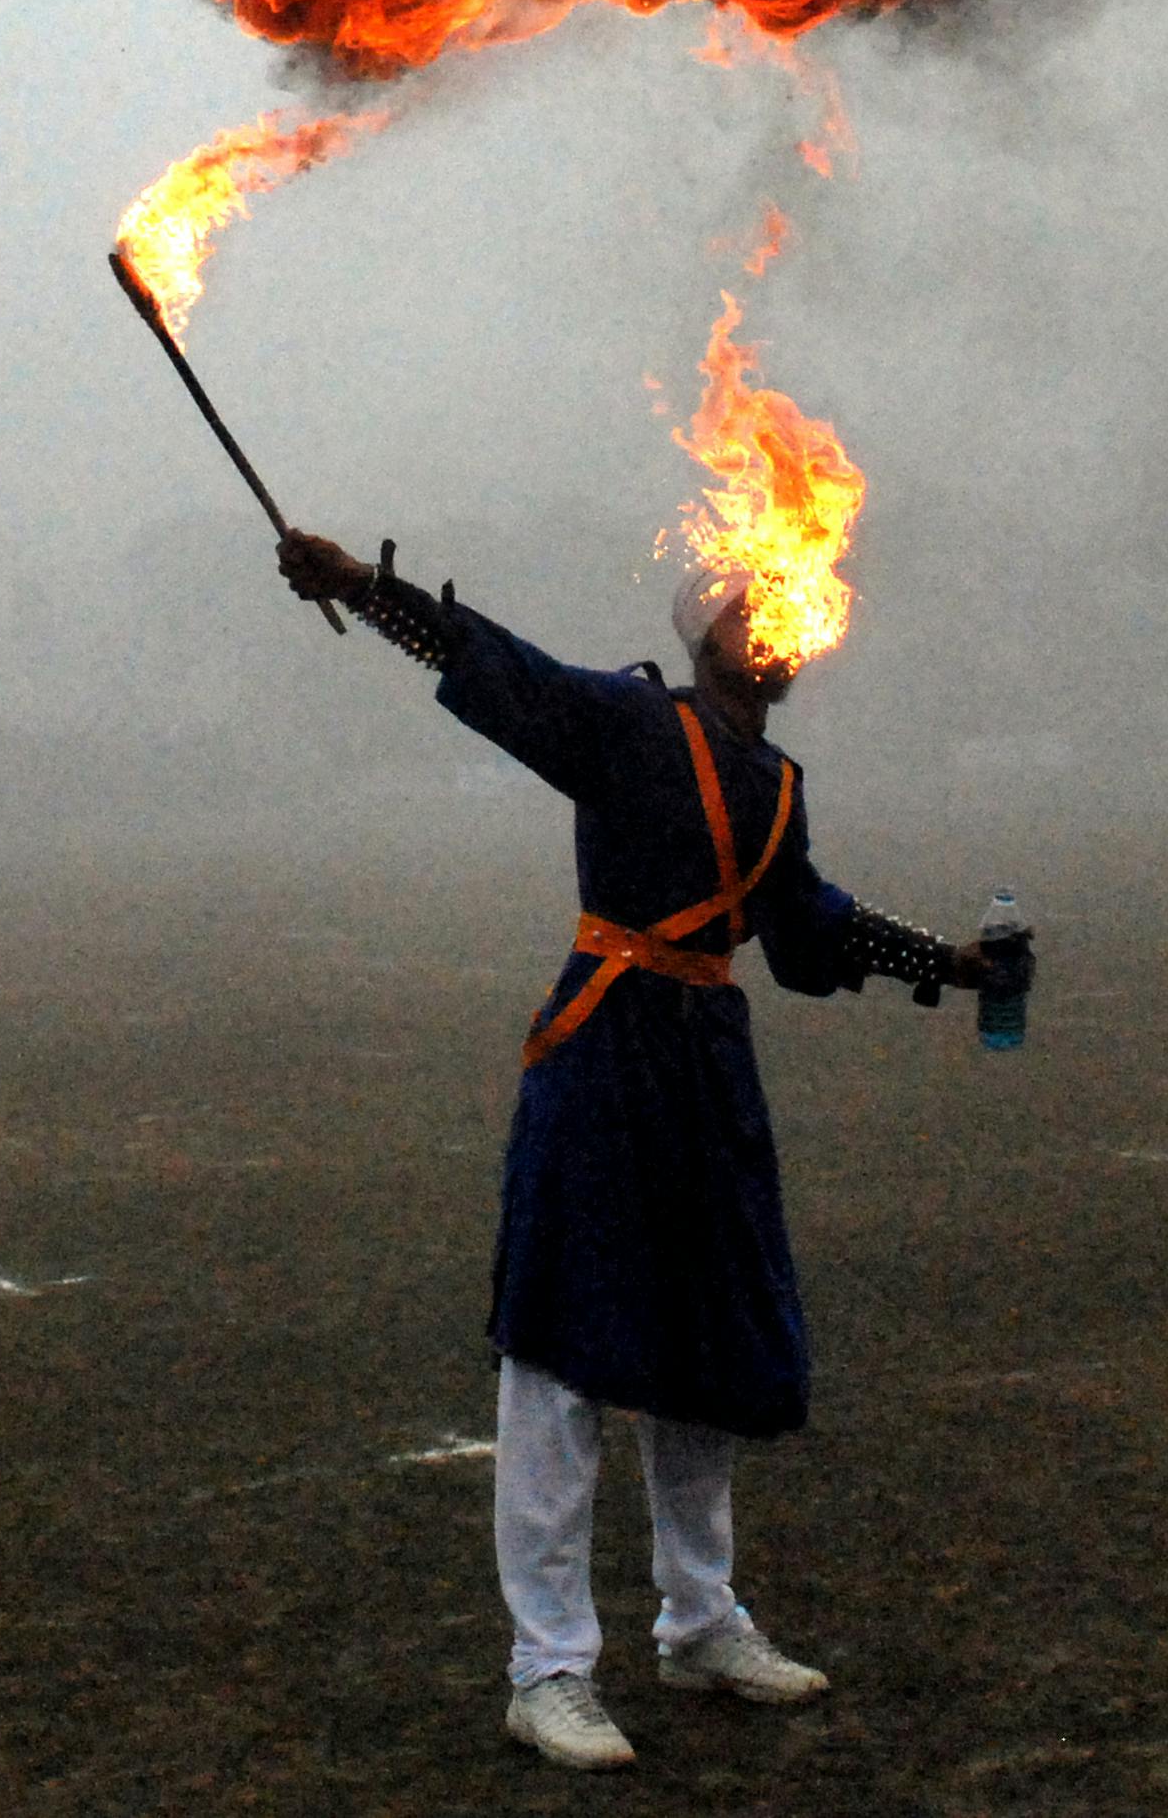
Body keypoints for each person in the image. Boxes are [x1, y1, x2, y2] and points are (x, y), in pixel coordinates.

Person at [272, 526, 1029, 1777]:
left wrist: (943, 962)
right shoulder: (630, 726)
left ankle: (701, 1622)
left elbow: (804, 932)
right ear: (712, 632)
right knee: (565, 1352)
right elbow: (495, 663)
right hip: (604, 1050)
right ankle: (549, 1669)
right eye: (758, 606)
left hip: (704, 1066)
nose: (783, 625)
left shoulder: (778, 787)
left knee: (709, 1347)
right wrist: (367, 590)